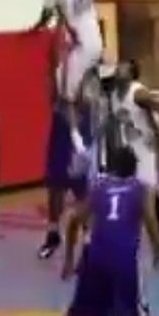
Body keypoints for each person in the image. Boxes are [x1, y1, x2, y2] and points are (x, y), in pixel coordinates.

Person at [39, 147, 159, 316]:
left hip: (94, 258)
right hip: (124, 260)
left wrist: (68, 259)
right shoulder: (142, 189)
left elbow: (75, 220)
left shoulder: (99, 187)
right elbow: (150, 219)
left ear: (112, 168)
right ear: (134, 169)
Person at [34, 0, 102, 173]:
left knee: (66, 99)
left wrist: (36, 27)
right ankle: (90, 135)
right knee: (77, 91)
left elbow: (47, 15)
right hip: (94, 40)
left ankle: (81, 148)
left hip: (83, 46)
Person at [39, 30, 97, 260]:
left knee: (83, 190)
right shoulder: (60, 71)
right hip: (59, 134)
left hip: (79, 138)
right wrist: (60, 24)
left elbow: (83, 102)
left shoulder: (89, 75)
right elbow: (51, 58)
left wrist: (70, 94)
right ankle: (53, 233)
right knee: (54, 187)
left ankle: (89, 239)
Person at [109, 59, 159, 234]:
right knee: (136, 198)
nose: (119, 68)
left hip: (146, 151)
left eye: (124, 67)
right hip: (128, 152)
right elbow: (115, 125)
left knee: (147, 203)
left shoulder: (138, 93)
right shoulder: (113, 95)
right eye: (118, 65)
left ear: (132, 74)